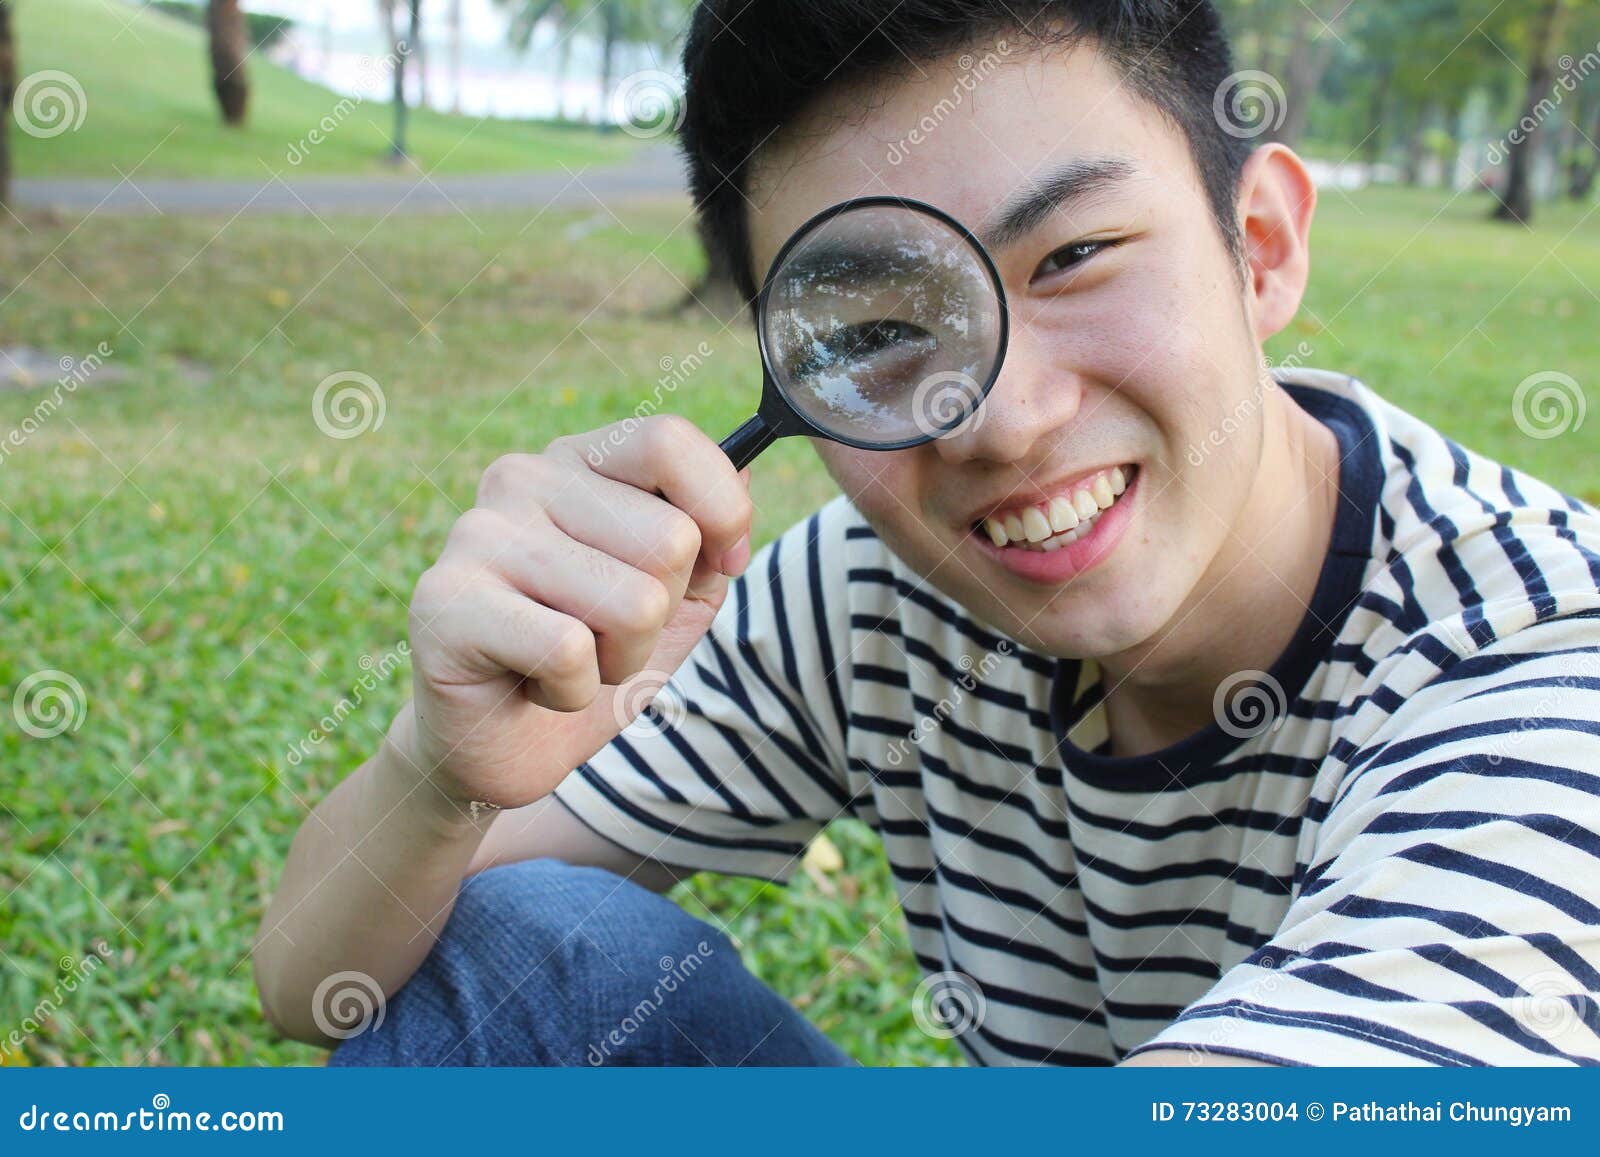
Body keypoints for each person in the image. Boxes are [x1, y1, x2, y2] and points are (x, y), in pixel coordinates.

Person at [253, 0, 1600, 1066]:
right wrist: (443, 773)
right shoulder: (866, 595)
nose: (1003, 423)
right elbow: (326, 982)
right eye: (880, 331)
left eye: (1072, 257)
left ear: (1259, 245)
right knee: (523, 948)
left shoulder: (1547, 675)